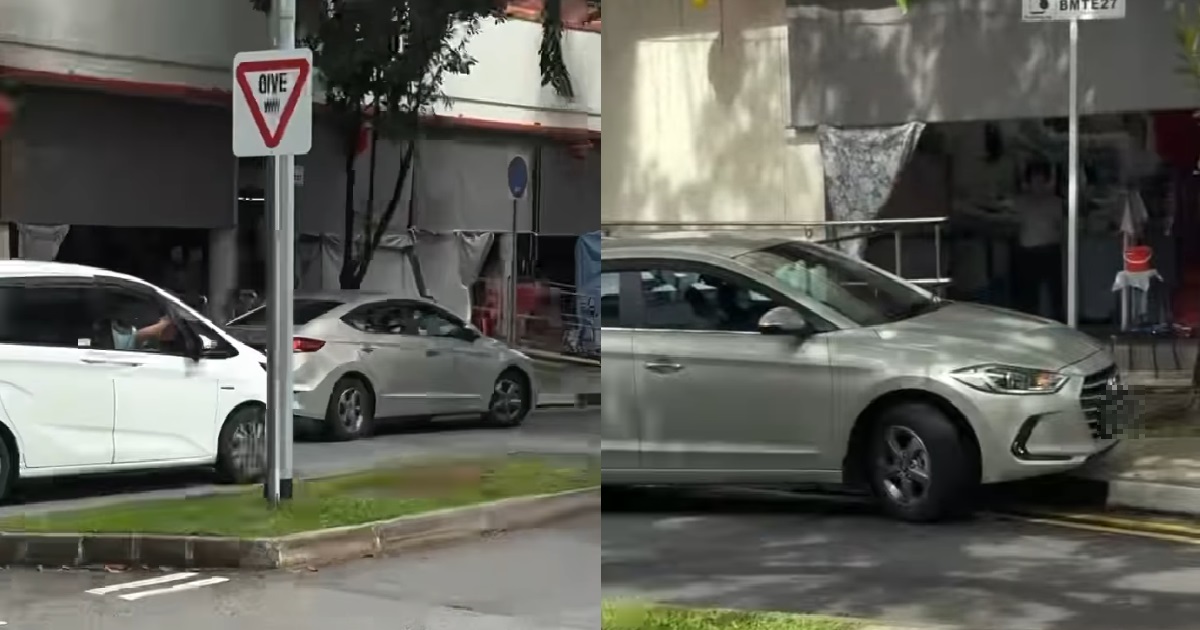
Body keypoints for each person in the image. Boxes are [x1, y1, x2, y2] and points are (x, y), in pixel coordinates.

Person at [1009, 161, 1065, 320]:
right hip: (1027, 252)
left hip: (1050, 250)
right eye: (1035, 181)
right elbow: (1011, 223)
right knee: (1028, 295)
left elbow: (1062, 226)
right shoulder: (1020, 203)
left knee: (1055, 294)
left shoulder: (1055, 203)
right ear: (1028, 182)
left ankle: (1059, 322)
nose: (1038, 186)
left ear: (1047, 182)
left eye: (1041, 181)